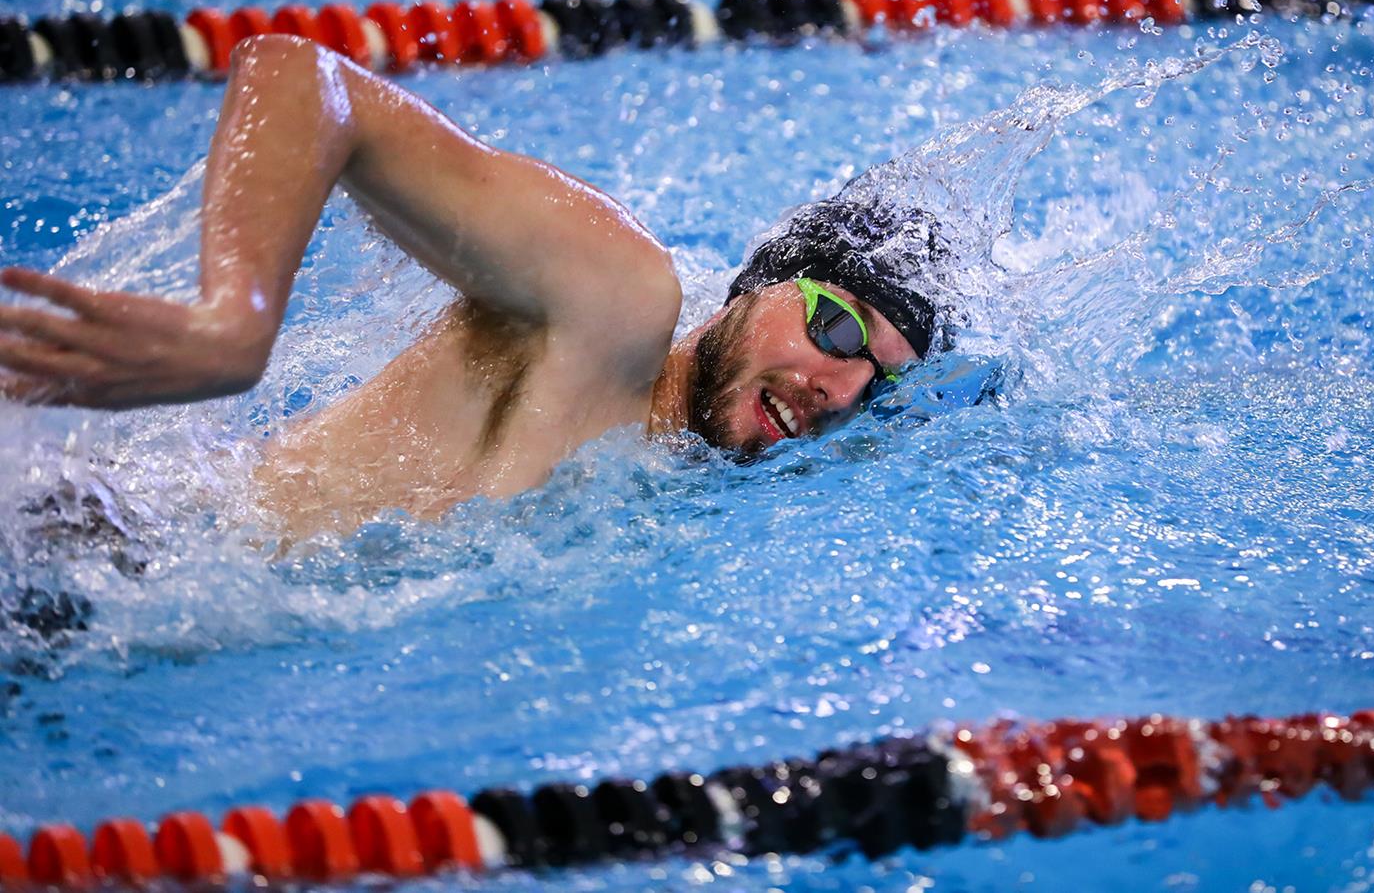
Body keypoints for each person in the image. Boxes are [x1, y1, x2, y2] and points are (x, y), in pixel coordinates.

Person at [0, 35, 942, 540]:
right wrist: (232, 322)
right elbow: (302, 76)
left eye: (879, 384)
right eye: (839, 331)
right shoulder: (614, 300)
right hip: (100, 555)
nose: (840, 390)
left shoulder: (692, 478)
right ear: (756, 286)